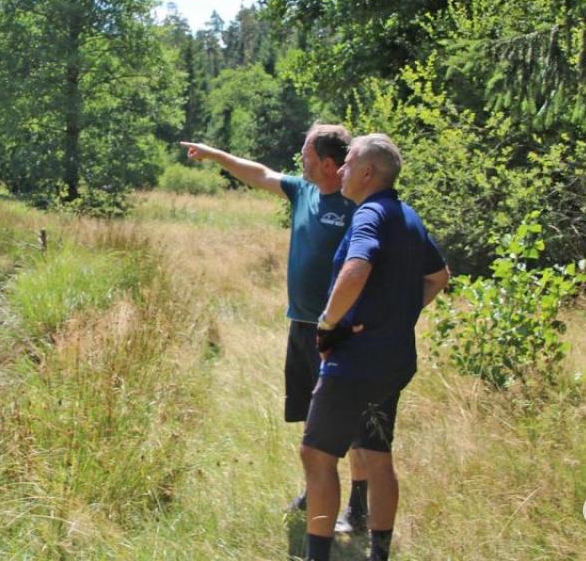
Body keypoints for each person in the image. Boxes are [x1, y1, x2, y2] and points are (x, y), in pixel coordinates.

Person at [179, 126, 370, 533]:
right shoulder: (305, 191)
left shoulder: (357, 206)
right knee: (312, 416)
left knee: (349, 422)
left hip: (336, 332)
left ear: (328, 163)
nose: (299, 159)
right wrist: (215, 155)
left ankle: (356, 506)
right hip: (301, 326)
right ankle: (315, 487)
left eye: (305, 154)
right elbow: (260, 174)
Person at [300, 133, 451, 561]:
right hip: (393, 360)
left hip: (356, 363)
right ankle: (379, 555)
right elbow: (440, 276)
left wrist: (328, 326)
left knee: (316, 453)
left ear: (368, 172)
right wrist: (396, 316)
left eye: (348, 163)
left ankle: (317, 556)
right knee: (376, 454)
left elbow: (357, 266)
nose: (341, 170)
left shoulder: (369, 215)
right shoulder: (408, 216)